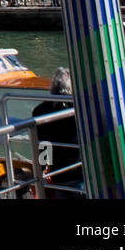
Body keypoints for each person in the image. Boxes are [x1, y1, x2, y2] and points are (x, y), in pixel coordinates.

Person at [32, 67, 82, 196]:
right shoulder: (82, 108)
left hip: (60, 173)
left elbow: (43, 146)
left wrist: (41, 170)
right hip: (83, 171)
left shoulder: (41, 110)